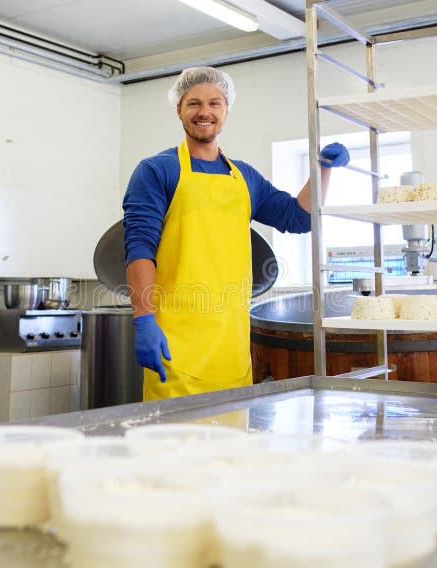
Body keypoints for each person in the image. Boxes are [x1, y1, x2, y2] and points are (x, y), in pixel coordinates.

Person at [123, 66, 350, 401]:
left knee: (231, 449)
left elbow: (300, 218)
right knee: (177, 449)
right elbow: (140, 247)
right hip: (174, 347)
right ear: (179, 111)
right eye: (194, 104)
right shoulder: (157, 170)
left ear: (226, 109)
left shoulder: (245, 177)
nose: (204, 112)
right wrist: (144, 319)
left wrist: (323, 168)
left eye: (214, 103)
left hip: (231, 349)